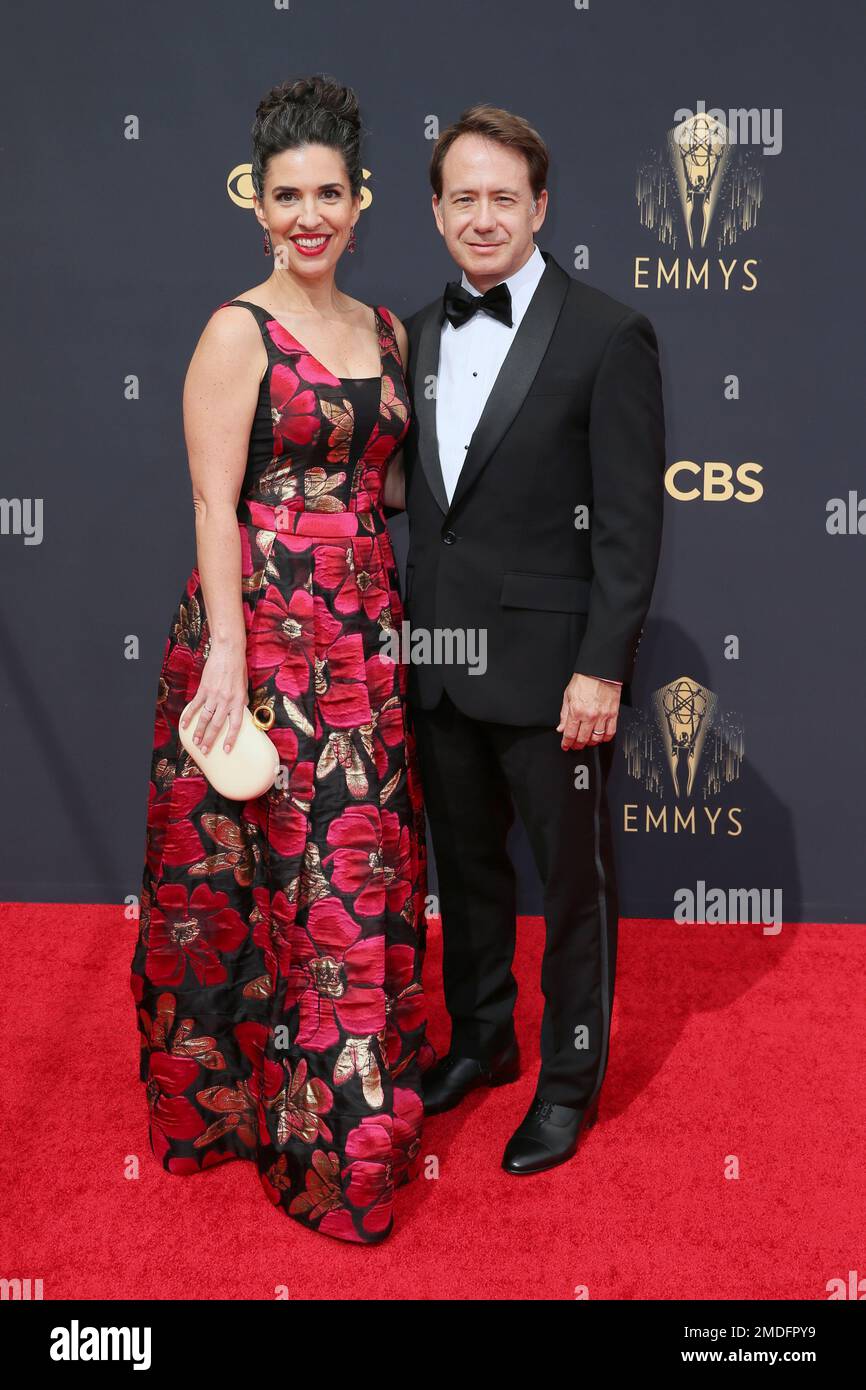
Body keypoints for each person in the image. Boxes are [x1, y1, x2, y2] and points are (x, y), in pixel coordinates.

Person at [130, 75, 434, 1245]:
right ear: (257, 204)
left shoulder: (387, 330)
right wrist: (224, 657)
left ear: (360, 205)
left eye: (329, 195)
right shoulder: (236, 329)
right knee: (245, 880)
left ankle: (337, 1125)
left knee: (347, 883)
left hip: (362, 631)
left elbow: (391, 481)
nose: (308, 215)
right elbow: (214, 503)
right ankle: (246, 1116)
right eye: (286, 195)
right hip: (259, 631)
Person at [393, 104, 665, 1175]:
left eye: (503, 196)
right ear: (434, 211)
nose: (482, 215)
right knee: (464, 876)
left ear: (539, 206)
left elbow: (631, 523)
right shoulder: (410, 332)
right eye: (462, 197)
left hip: (557, 677)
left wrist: (601, 662)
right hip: (441, 670)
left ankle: (565, 1081)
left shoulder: (607, 333)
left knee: (573, 893)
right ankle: (481, 1040)